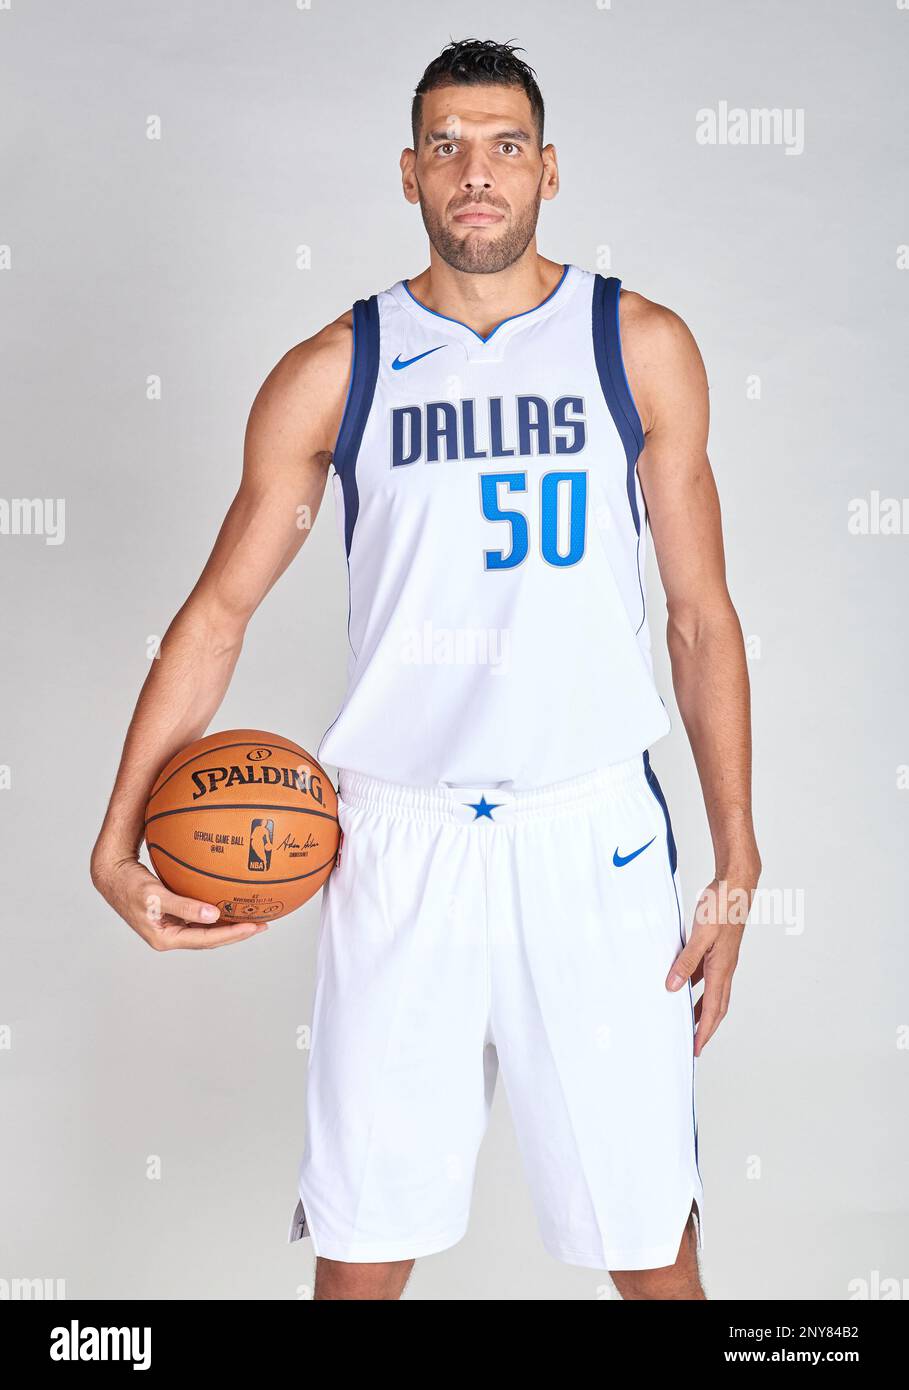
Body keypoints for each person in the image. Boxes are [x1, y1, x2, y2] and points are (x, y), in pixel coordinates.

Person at [91, 37, 760, 1301]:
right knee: (360, 1257)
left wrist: (737, 854)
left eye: (505, 144)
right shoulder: (333, 372)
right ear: (408, 174)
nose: (477, 171)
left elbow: (701, 620)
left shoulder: (639, 345)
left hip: (592, 831)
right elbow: (217, 614)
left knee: (652, 1248)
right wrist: (116, 830)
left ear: (549, 168)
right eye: (447, 145)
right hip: (399, 836)